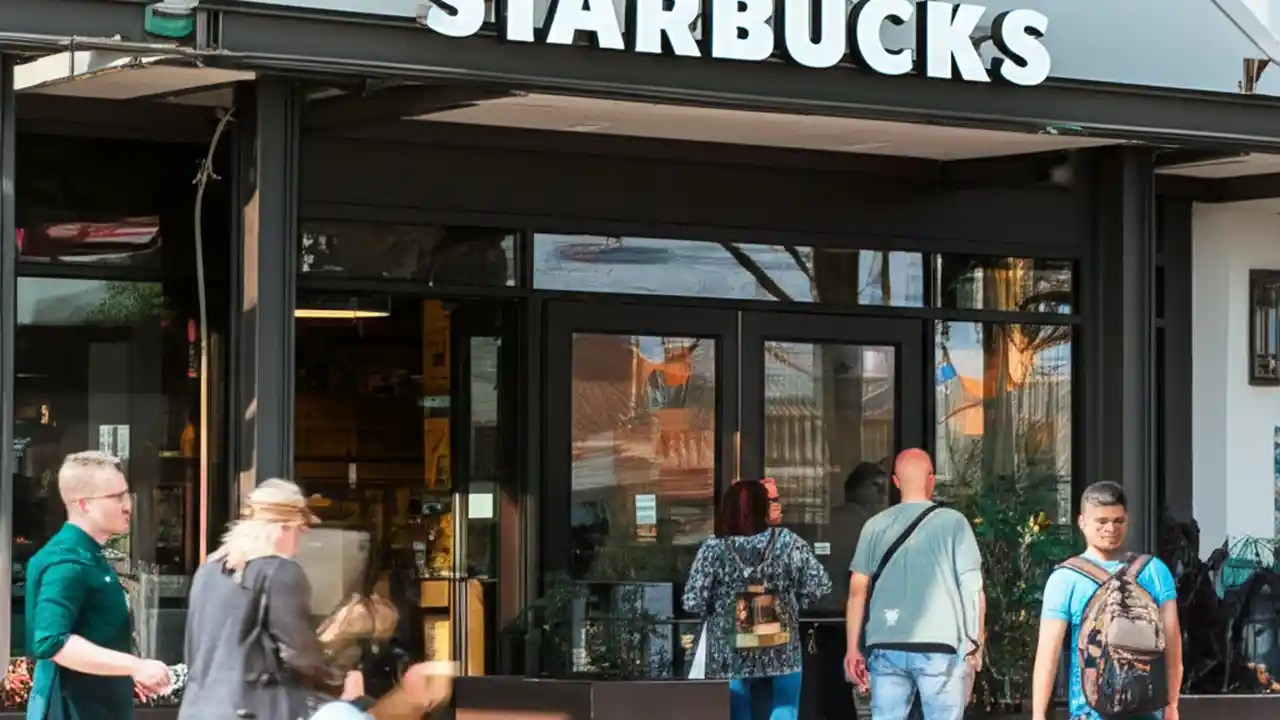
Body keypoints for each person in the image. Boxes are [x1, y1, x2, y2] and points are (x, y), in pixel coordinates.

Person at [24, 451, 173, 720]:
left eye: (127, 495)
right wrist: (134, 666)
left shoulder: (87, 555)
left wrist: (127, 671)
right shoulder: (67, 561)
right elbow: (51, 642)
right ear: (84, 504)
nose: (128, 505)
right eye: (117, 497)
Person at [180, 479, 339, 720]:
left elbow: (195, 650)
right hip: (254, 711)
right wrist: (336, 681)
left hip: (197, 711)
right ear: (285, 527)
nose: (300, 540)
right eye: (300, 530)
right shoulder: (281, 572)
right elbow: (296, 652)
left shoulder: (208, 571)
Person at [844, 448, 984, 720]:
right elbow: (973, 591)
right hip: (940, 646)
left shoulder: (874, 526)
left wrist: (852, 648)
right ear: (931, 478)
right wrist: (974, 646)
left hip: (885, 643)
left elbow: (857, 589)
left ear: (895, 482)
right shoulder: (954, 524)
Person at [1030, 482, 1183, 720]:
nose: (1110, 528)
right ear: (1082, 523)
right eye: (1102, 522)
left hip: (1089, 711)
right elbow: (1173, 648)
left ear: (1127, 519)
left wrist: (1038, 716)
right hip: (1145, 709)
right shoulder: (1153, 571)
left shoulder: (1064, 578)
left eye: (1118, 521)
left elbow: (1047, 656)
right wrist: (1172, 705)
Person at [683, 480, 832, 720]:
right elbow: (819, 585)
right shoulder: (787, 542)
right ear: (763, 509)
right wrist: (792, 601)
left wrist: (721, 607)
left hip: (729, 644)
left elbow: (692, 601)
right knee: (785, 705)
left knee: (737, 705)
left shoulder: (713, 548)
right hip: (781, 640)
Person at [810, 462, 888, 719]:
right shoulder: (870, 525)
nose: (882, 493)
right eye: (876, 486)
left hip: (829, 614)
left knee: (834, 690)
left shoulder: (835, 520)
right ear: (855, 489)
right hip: (849, 615)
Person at [308, 661, 454, 720]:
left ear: (428, 703)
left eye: (429, 679)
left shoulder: (343, 713)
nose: (419, 669)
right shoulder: (356, 707)